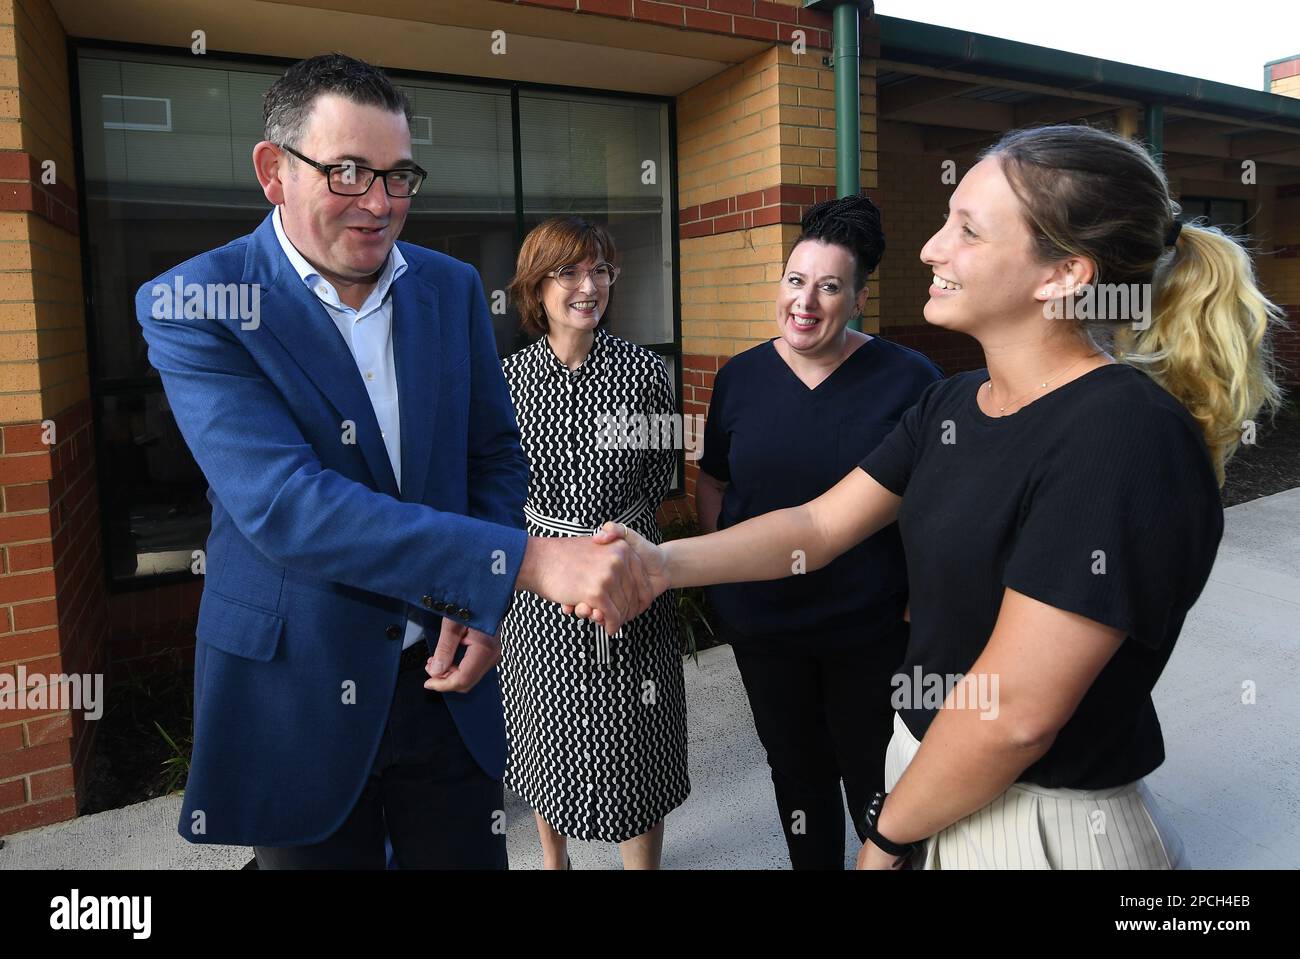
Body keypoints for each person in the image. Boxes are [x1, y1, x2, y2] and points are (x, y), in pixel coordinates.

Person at [584, 123, 1283, 870]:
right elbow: (818, 524)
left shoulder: (1124, 434)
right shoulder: (952, 403)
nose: (929, 248)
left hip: (1032, 825)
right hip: (927, 774)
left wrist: (885, 840)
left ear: (1064, 274)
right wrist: (660, 563)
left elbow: (1012, 715)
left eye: (968, 230)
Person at [134, 53, 650, 869]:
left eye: (397, 174)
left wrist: (479, 607)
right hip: (298, 687)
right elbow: (286, 506)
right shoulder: (196, 302)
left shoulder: (449, 289)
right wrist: (519, 562)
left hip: (447, 682)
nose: (380, 203)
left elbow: (492, 456)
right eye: (347, 171)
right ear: (274, 170)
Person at [695, 195, 940, 869]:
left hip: (869, 627)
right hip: (765, 629)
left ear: (858, 298)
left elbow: (935, 503)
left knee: (873, 769)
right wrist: (725, 587)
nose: (806, 300)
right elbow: (714, 482)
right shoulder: (741, 377)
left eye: (830, 286)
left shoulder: (908, 379)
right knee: (794, 767)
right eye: (796, 280)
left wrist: (921, 600)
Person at [498, 217, 689, 870]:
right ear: (537, 285)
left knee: (634, 744)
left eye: (600, 270)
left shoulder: (643, 372)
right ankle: (555, 860)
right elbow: (497, 484)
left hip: (626, 575)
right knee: (545, 732)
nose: (588, 285)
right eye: (570, 271)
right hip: (540, 590)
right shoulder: (509, 379)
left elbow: (661, 472)